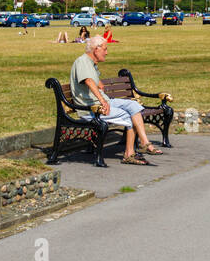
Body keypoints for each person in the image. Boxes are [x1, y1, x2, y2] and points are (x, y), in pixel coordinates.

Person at [69, 35, 164, 165]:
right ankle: (129, 154)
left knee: (133, 105)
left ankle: (144, 142)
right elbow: (89, 81)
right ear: (96, 49)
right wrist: (103, 101)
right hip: (92, 109)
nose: (107, 52)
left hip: (104, 102)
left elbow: (94, 81)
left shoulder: (90, 63)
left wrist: (100, 85)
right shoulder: (82, 61)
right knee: (129, 115)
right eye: (105, 49)